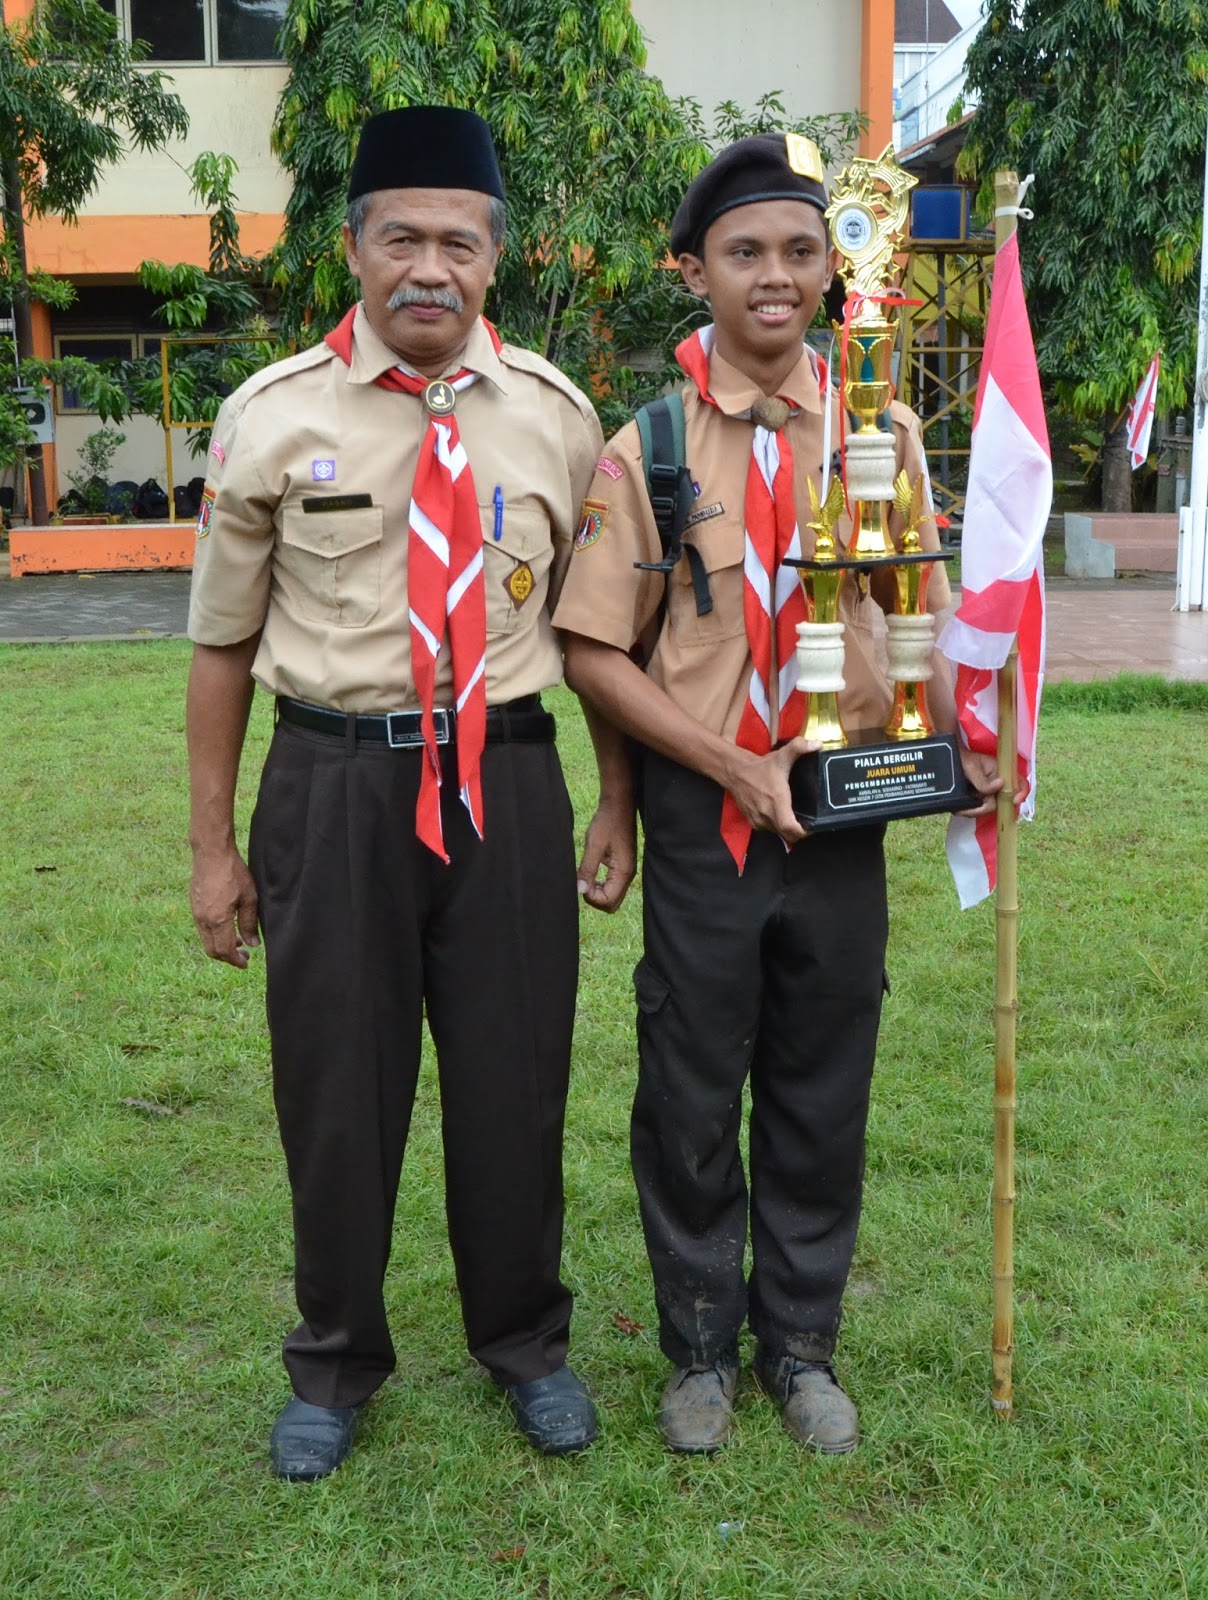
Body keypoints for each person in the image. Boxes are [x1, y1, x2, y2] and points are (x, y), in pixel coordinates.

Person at [185, 106, 634, 1481]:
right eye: (401, 238)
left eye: (457, 239)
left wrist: (613, 801)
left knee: (514, 1081)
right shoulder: (272, 417)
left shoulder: (561, 421)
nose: (427, 266)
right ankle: (334, 1360)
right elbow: (218, 649)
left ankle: (525, 1343)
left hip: (505, 778)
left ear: (494, 258)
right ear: (354, 249)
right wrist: (212, 849)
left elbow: (599, 631)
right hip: (330, 782)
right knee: (337, 1090)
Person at [554, 133, 1006, 1455]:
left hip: (847, 803)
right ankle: (697, 1351)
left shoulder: (884, 424)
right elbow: (593, 649)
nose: (776, 276)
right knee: (691, 1088)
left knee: (823, 1078)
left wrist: (962, 738)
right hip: (714, 810)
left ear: (834, 271)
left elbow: (913, 602)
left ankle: (800, 1349)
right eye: (745, 251)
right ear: (694, 270)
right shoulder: (645, 447)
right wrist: (676, 786)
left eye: (801, 252)